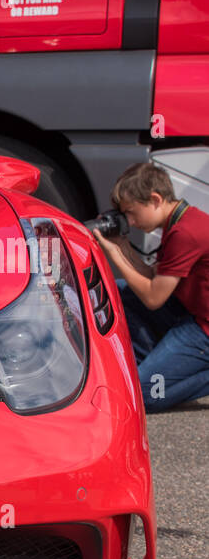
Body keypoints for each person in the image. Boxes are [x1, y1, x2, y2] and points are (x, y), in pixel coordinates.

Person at [92, 162, 209, 411]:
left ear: (155, 199)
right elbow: (150, 275)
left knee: (143, 394)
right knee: (120, 290)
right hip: (188, 312)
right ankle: (159, 363)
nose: (131, 222)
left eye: (132, 213)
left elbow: (153, 298)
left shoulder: (186, 233)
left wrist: (113, 253)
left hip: (203, 330)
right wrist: (123, 246)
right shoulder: (180, 220)